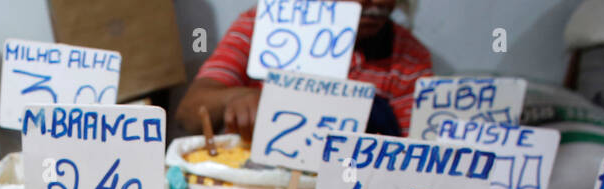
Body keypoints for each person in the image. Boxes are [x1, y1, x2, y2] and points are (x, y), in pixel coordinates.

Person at [175, 0, 434, 138]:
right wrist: (236, 98)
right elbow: (189, 113)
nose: (375, 2)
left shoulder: (408, 57)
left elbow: (416, 153)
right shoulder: (265, 26)